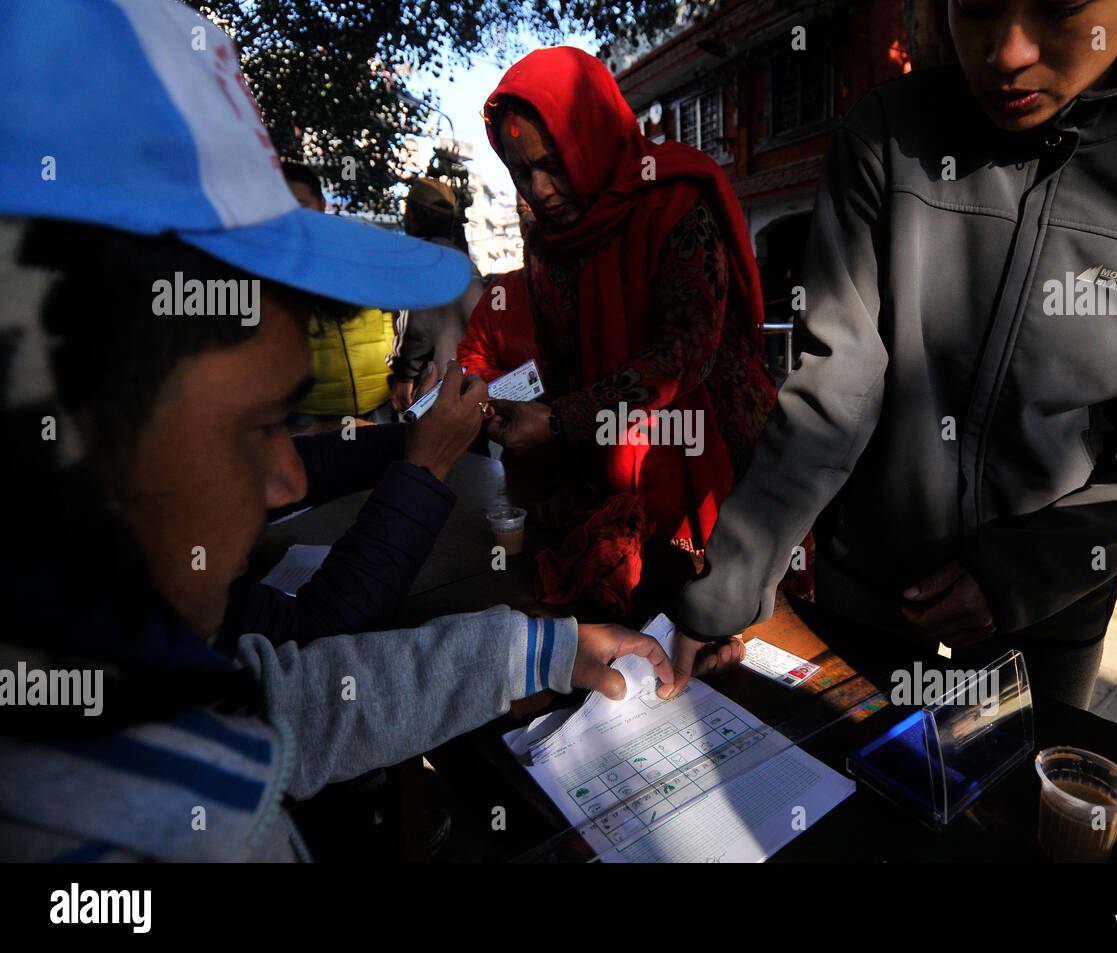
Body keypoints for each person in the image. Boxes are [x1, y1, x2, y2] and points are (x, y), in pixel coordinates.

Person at [0, 0, 673, 861]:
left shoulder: (123, 690)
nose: (288, 480)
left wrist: (540, 646)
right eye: (254, 428)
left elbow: (277, 700)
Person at [668, 0, 1117, 707]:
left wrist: (1022, 574)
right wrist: (723, 590)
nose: (1007, 52)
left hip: (1049, 617)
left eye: (1061, 6)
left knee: (1012, 811)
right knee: (850, 788)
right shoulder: (886, 135)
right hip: (867, 589)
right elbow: (834, 383)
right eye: (975, 4)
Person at [479, 48, 778, 610]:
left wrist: (561, 421)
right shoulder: (546, 239)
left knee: (726, 617)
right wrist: (561, 478)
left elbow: (684, 355)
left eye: (555, 164)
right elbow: (561, 361)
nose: (540, 190)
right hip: (608, 459)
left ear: (590, 141)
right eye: (523, 171)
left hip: (710, 446)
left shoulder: (673, 200)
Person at [280, 161, 398, 429]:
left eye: (300, 205)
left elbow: (393, 310)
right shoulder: (269, 264)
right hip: (308, 412)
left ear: (321, 204)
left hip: (376, 402)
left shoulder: (359, 249)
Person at [389, 177, 484, 412]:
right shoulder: (466, 265)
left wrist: (405, 376)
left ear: (411, 215)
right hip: (469, 384)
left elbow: (414, 328)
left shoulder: (414, 262)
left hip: (428, 390)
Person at [456, 193, 540, 383]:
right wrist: (517, 393)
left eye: (538, 208)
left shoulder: (600, 283)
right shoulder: (502, 291)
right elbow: (472, 359)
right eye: (521, 212)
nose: (528, 220)